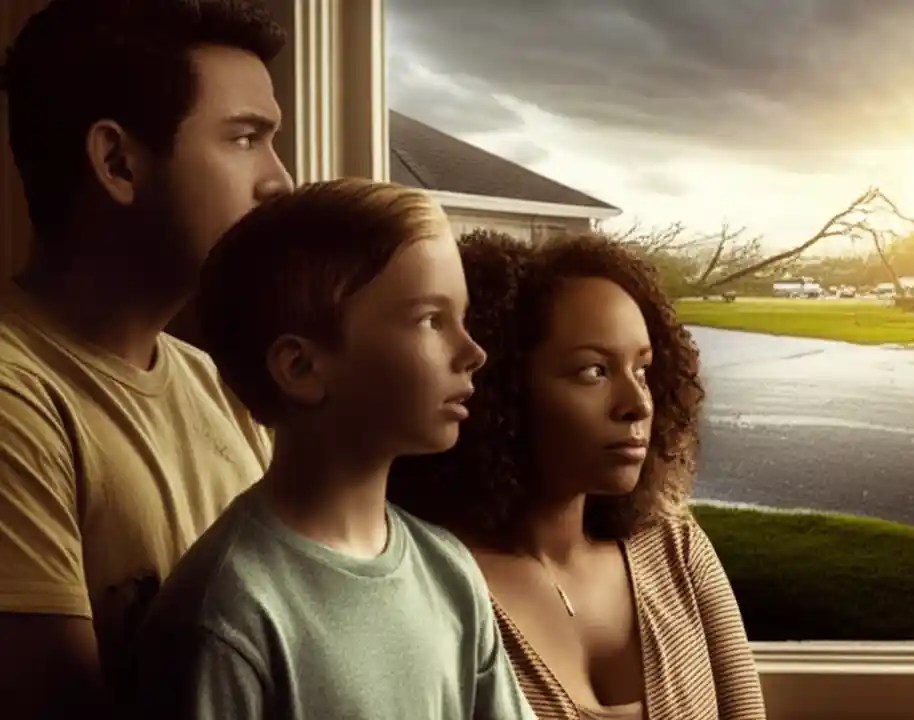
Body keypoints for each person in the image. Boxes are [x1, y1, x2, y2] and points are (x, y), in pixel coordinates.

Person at [133, 178, 535, 720]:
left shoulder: (450, 573)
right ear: (301, 367)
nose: (473, 352)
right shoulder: (229, 616)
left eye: (462, 319)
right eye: (430, 320)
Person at [0, 0, 292, 715]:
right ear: (118, 163)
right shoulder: (14, 400)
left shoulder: (220, 387)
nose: (280, 181)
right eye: (245, 138)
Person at [390, 231, 768, 720]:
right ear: (501, 389)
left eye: (643, 369)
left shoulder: (676, 549)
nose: (638, 404)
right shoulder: (430, 588)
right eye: (594, 372)